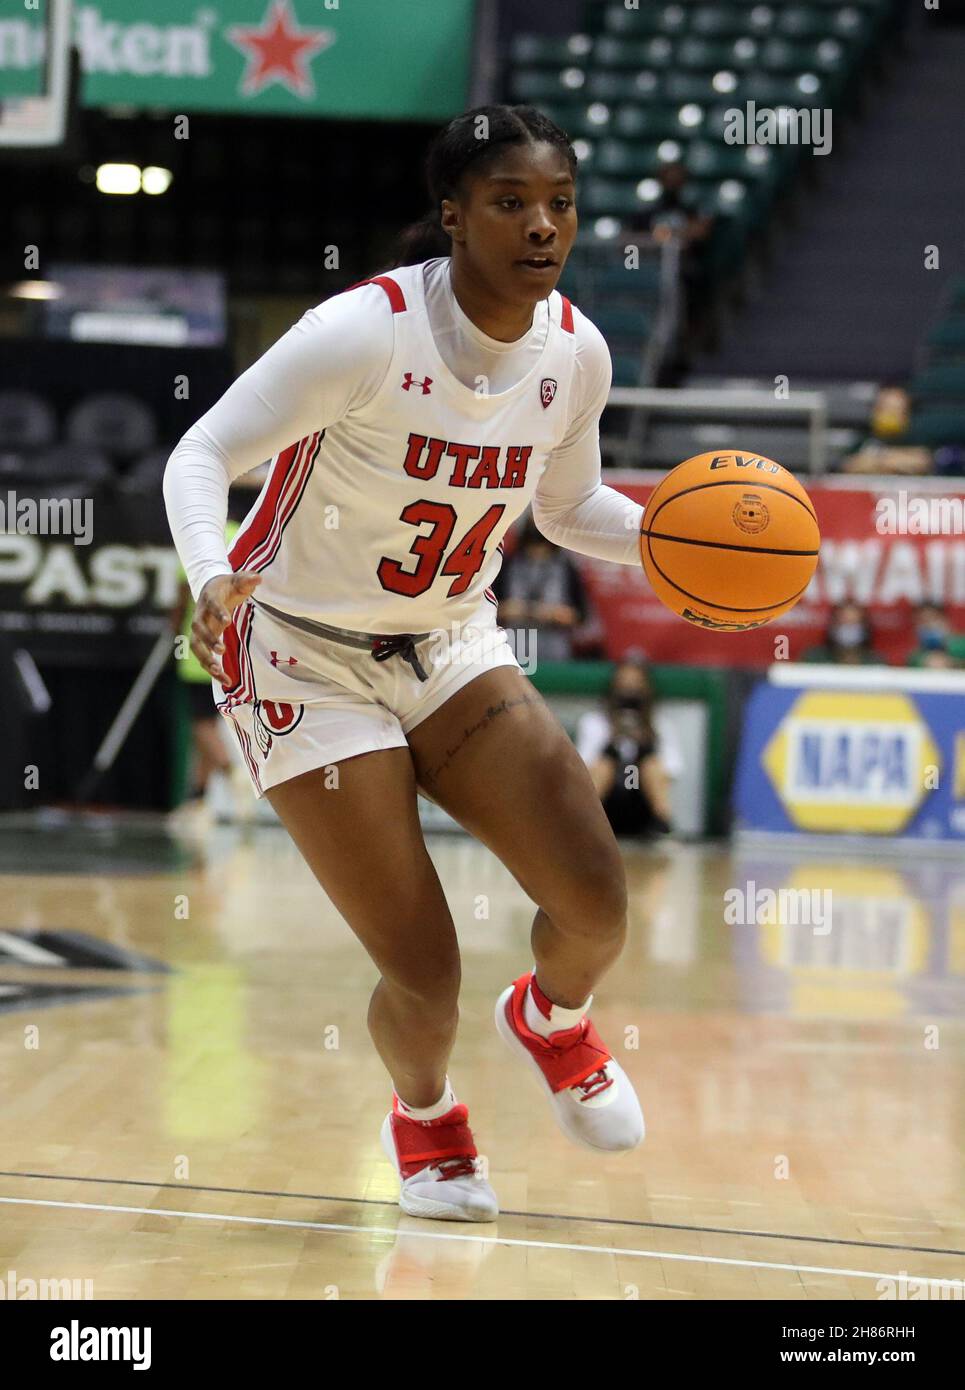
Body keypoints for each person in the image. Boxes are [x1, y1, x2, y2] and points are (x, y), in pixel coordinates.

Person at [163, 104, 647, 1225]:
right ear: (452, 215)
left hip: (450, 645)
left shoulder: (575, 350)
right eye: (509, 202)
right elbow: (203, 452)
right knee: (424, 971)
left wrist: (663, 543)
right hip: (301, 659)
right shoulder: (363, 332)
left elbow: (566, 507)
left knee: (594, 900)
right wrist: (208, 577)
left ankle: (552, 1021)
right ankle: (425, 1116)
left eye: (559, 204)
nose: (542, 226)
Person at [575, 658, 681, 838]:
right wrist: (612, 743)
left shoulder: (660, 724)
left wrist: (646, 744)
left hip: (642, 803)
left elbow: (672, 770)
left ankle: (663, 824)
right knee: (603, 767)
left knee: (652, 765)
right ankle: (585, 824)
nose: (629, 694)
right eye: (623, 686)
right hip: (606, 804)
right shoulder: (594, 722)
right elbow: (583, 770)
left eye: (635, 687)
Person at [494, 511, 590, 661]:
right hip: (513, 641)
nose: (537, 553)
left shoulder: (566, 566)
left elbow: (582, 615)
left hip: (554, 645)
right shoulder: (508, 564)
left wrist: (557, 614)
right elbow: (488, 609)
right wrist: (509, 609)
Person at [802, 601, 882, 665]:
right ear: (833, 625)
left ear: (865, 628)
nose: (849, 629)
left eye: (854, 623)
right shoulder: (814, 659)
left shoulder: (876, 662)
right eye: (843, 623)